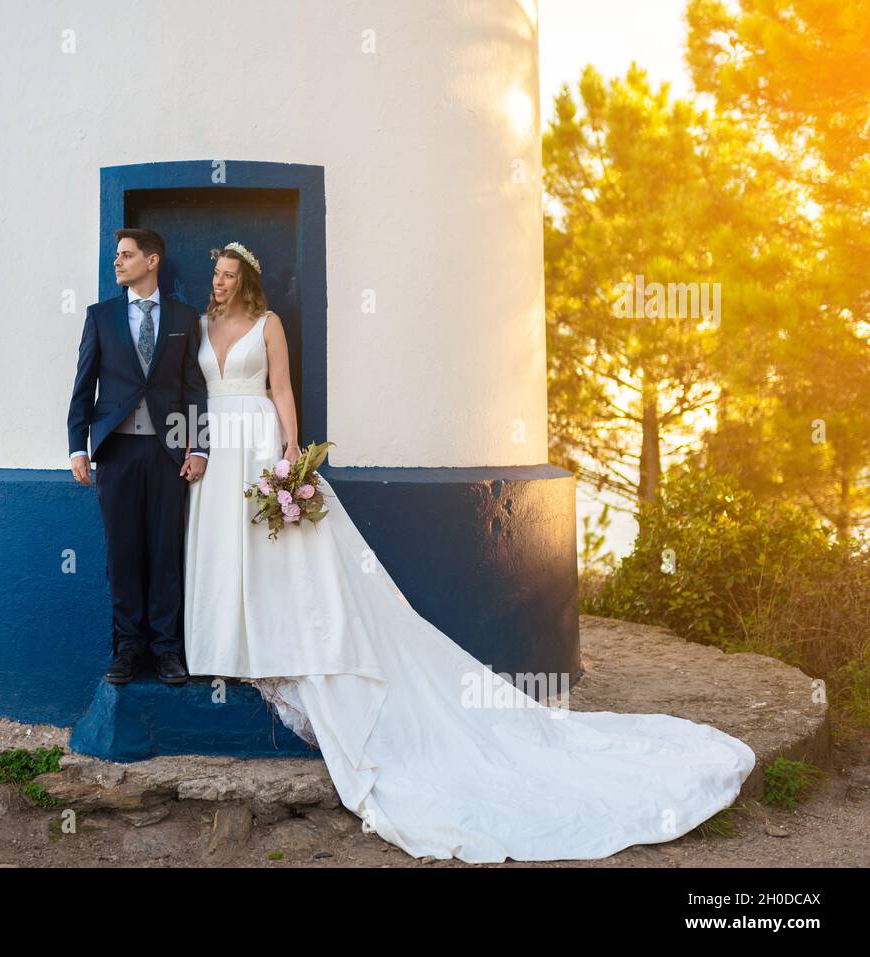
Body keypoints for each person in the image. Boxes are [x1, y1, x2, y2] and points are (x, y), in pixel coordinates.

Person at [182, 241, 756, 863]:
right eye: (215, 274)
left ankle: (282, 638)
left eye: (229, 275)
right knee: (224, 548)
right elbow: (190, 388)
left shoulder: (268, 325)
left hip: (262, 441)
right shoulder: (202, 324)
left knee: (279, 553)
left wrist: (292, 453)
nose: (218, 283)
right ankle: (227, 642)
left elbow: (283, 391)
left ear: (249, 282)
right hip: (219, 445)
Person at [67, 227, 209, 686]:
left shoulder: (185, 319)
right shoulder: (101, 316)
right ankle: (127, 649)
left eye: (126, 255)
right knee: (123, 552)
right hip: (117, 452)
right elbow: (83, 385)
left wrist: (199, 445)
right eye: (115, 256)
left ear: (152, 261)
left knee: (166, 551)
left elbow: (193, 388)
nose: (117, 262)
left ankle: (167, 649)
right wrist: (78, 446)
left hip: (169, 453)